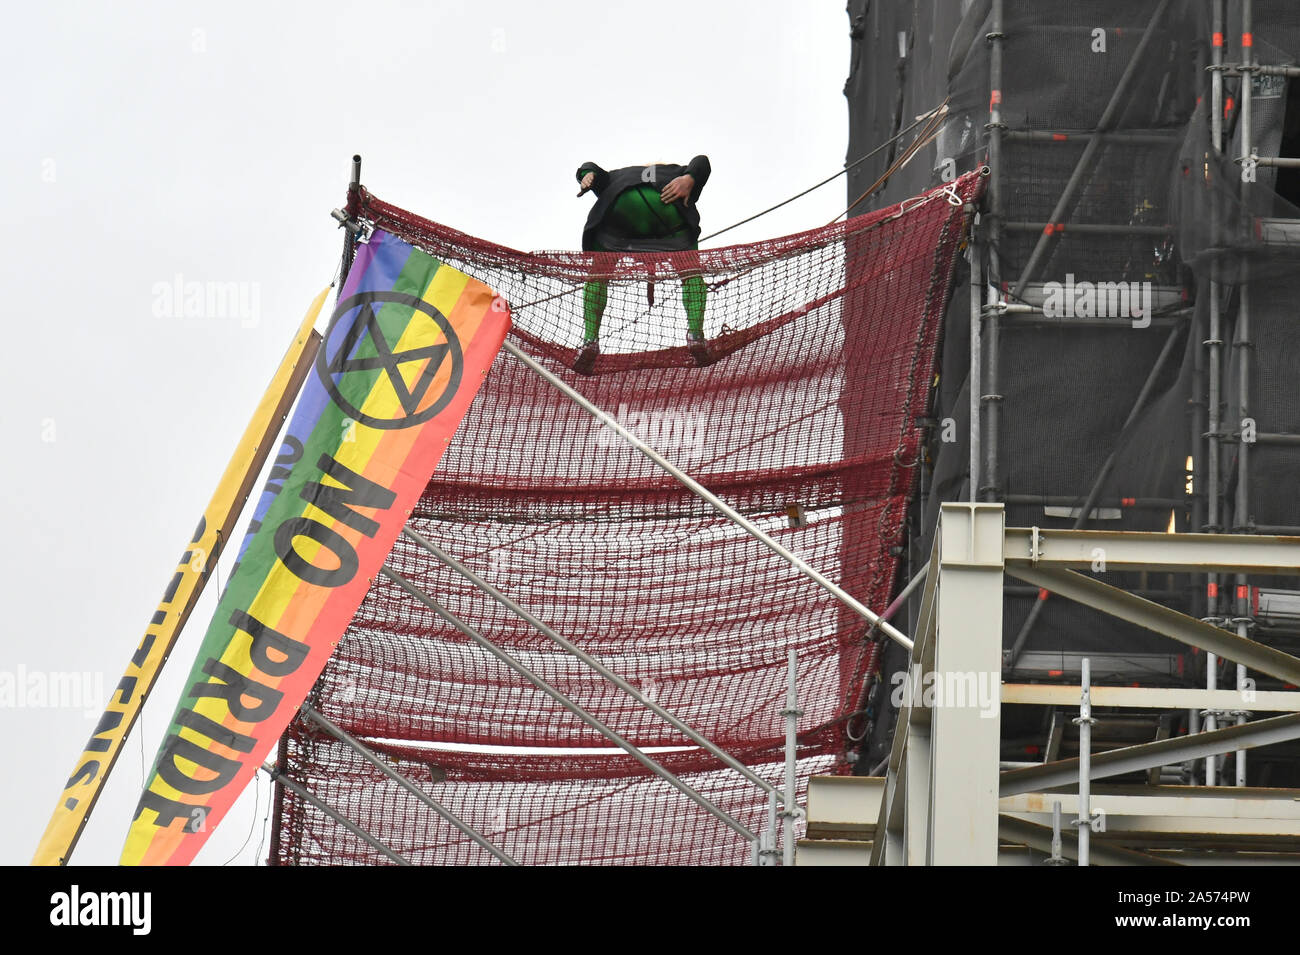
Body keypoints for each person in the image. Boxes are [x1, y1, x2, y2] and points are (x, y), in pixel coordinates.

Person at [572, 156, 712, 374]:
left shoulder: (669, 173)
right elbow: (591, 169)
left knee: (598, 276)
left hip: (633, 233)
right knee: (691, 274)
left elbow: (701, 163)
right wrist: (586, 174)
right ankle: (696, 335)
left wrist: (689, 178)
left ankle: (590, 341)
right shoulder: (618, 177)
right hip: (634, 233)